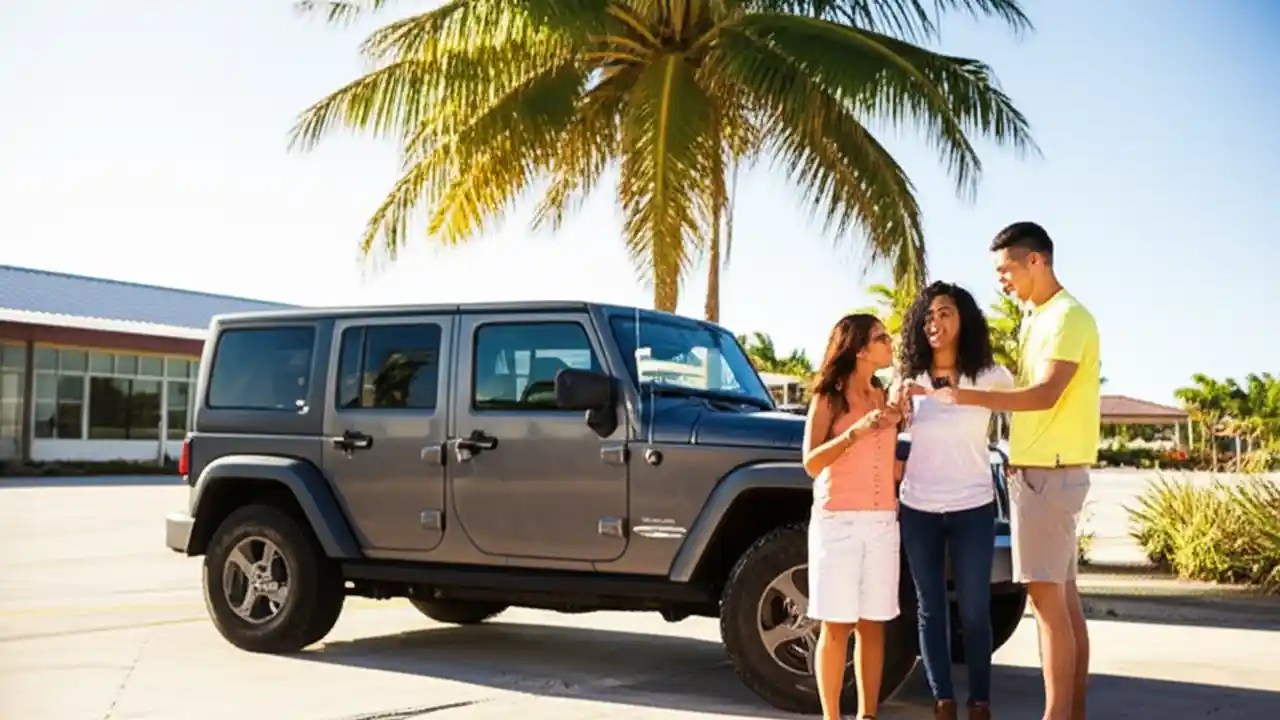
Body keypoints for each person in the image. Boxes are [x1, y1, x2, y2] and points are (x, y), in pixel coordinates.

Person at [923, 221, 1100, 720]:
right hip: (1044, 477)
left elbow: (1045, 395)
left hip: (1048, 477)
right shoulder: (1037, 317)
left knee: (1049, 610)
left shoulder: (1067, 318)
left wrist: (961, 395)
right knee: (1063, 605)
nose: (1002, 280)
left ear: (1036, 261)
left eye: (1006, 269)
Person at [894, 281, 1014, 720]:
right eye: (927, 316)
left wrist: (1018, 461)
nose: (934, 322)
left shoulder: (990, 376)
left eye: (944, 313)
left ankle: (979, 701)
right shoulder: (909, 381)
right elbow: (896, 439)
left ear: (964, 319)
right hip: (918, 507)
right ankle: (942, 699)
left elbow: (1023, 416)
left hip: (973, 507)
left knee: (976, 607)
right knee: (930, 608)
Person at [801, 313, 907, 720]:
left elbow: (886, 466)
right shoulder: (829, 397)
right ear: (860, 348)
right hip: (838, 523)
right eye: (882, 337)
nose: (890, 341)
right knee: (836, 624)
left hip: (882, 521)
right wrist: (855, 432)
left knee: (873, 623)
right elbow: (811, 463)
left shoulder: (884, 396)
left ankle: (868, 715)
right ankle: (832, 717)